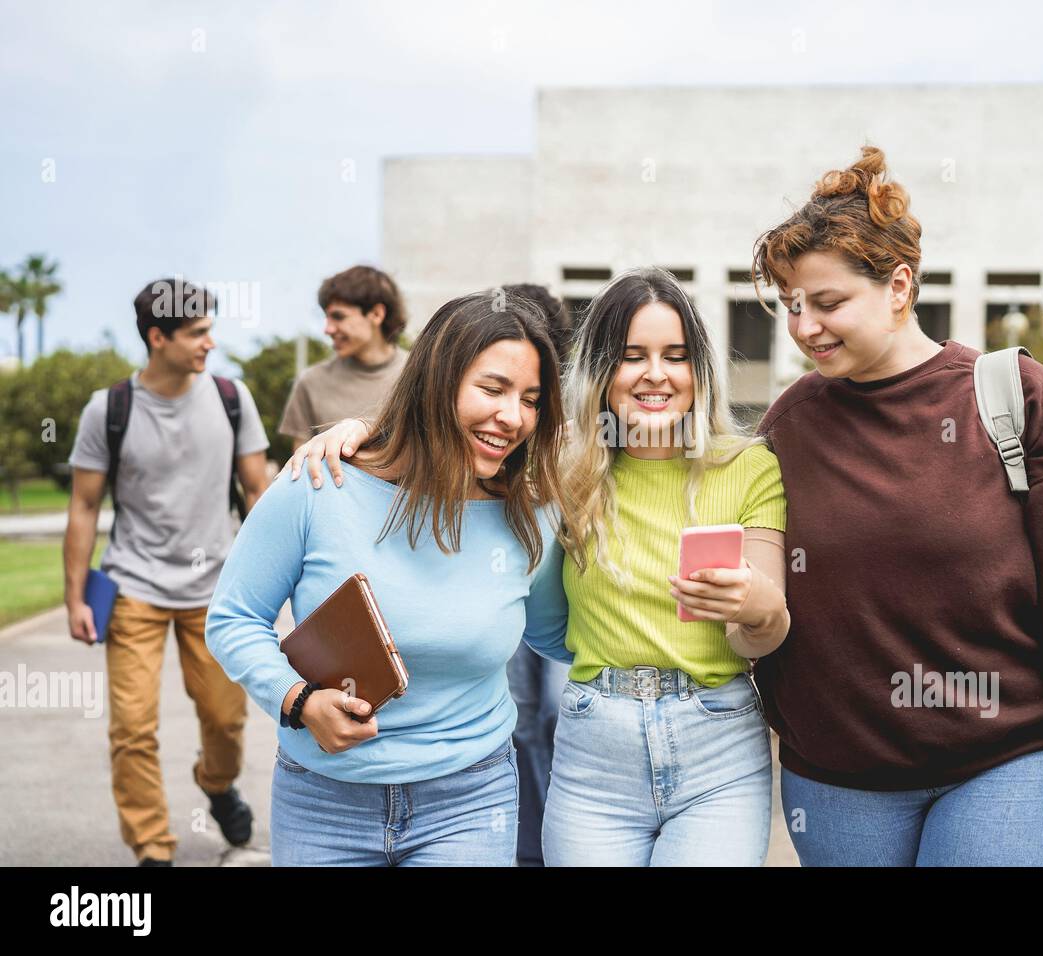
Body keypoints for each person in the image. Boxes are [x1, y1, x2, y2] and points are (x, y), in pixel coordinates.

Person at [748, 144, 1043, 866]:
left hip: (1008, 761)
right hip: (836, 780)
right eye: (792, 306)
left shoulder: (1014, 398)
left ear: (898, 286)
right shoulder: (789, 425)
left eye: (829, 303)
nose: (805, 326)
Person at [288, 268, 790, 866]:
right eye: (632, 356)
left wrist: (755, 607)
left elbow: (766, 629)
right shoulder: (559, 467)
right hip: (595, 746)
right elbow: (451, 433)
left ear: (698, 371)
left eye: (675, 356)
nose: (656, 374)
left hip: (719, 740)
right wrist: (362, 432)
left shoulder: (749, 466)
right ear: (602, 371)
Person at [206, 290, 573, 866]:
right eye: (493, 389)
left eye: (530, 400)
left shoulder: (530, 517)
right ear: (437, 382)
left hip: (471, 801)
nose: (514, 417)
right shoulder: (318, 484)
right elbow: (233, 618)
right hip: (322, 801)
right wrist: (298, 701)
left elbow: (563, 636)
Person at [64, 276, 271, 866]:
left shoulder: (232, 398)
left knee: (226, 721)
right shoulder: (110, 410)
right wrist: (76, 596)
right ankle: (153, 848)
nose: (211, 342)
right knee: (131, 728)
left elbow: (257, 491)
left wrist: (277, 579)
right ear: (158, 338)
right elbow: (84, 506)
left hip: (217, 589)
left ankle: (215, 781)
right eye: (198, 332)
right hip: (134, 586)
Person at [499, 283, 570, 867]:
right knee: (520, 721)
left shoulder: (577, 416)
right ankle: (531, 851)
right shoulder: (498, 414)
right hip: (503, 589)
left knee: (556, 712)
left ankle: (559, 843)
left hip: (565, 593)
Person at [277, 265, 409, 449]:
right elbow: (302, 467)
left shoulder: (421, 375)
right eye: (326, 317)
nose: (328, 329)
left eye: (338, 317)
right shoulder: (312, 382)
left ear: (376, 314)